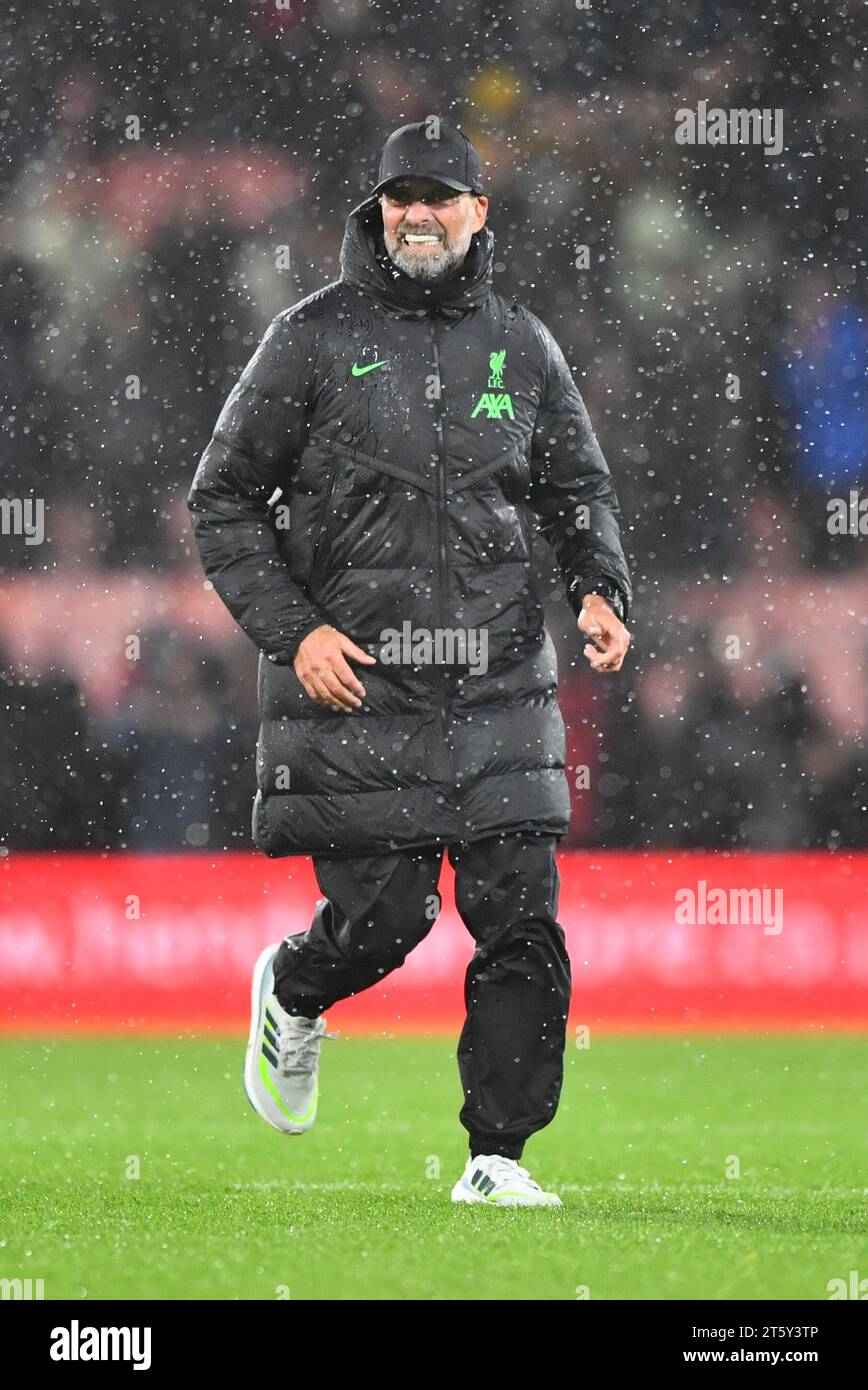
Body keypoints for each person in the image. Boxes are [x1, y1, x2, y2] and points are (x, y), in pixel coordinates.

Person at [187, 119, 632, 1206]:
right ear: (377, 212)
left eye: (439, 196)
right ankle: (297, 987)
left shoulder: (523, 344)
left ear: (479, 212)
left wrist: (599, 588)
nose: (417, 214)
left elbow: (577, 490)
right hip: (360, 690)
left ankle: (496, 1158)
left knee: (521, 919)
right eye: (400, 197)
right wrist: (296, 632)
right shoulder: (306, 337)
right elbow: (223, 499)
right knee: (387, 923)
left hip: (499, 686)